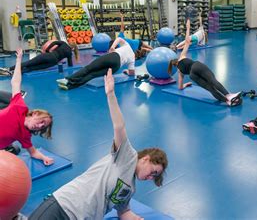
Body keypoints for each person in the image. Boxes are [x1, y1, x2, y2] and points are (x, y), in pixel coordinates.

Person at [29, 69, 168, 220]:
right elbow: (119, 126)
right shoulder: (127, 157)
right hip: (64, 207)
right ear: (146, 158)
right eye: (153, 172)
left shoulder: (130, 189)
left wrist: (137, 218)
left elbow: (124, 212)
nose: (150, 177)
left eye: (154, 177)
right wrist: (111, 95)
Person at [168, 19, 242, 106]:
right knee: (212, 81)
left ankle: (227, 101)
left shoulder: (180, 72)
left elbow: (180, 88)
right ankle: (228, 95)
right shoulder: (182, 57)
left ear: (174, 66)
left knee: (210, 88)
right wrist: (188, 28)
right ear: (177, 60)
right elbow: (187, 41)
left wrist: (186, 84)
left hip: (192, 75)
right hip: (196, 66)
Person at [0, 48, 54, 164]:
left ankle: (8, 148)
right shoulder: (19, 107)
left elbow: (33, 153)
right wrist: (19, 59)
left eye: (42, 127)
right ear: (35, 113)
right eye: (41, 121)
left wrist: (45, 158)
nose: (39, 126)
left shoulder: (25, 135)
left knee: (16, 150)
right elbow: (15, 82)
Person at [56, 37, 135, 90]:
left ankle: (67, 79)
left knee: (88, 68)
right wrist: (126, 71)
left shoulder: (127, 46)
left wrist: (112, 47)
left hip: (114, 56)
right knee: (92, 75)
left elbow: (119, 39)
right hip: (116, 66)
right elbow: (132, 73)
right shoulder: (133, 57)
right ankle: (70, 86)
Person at [0, 39, 79, 76]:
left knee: (29, 63)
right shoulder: (69, 53)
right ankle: (14, 73)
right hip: (52, 62)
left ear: (69, 43)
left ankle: (9, 69)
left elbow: (54, 42)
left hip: (48, 55)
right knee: (33, 68)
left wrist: (47, 50)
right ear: (73, 48)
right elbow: (70, 64)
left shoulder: (63, 43)